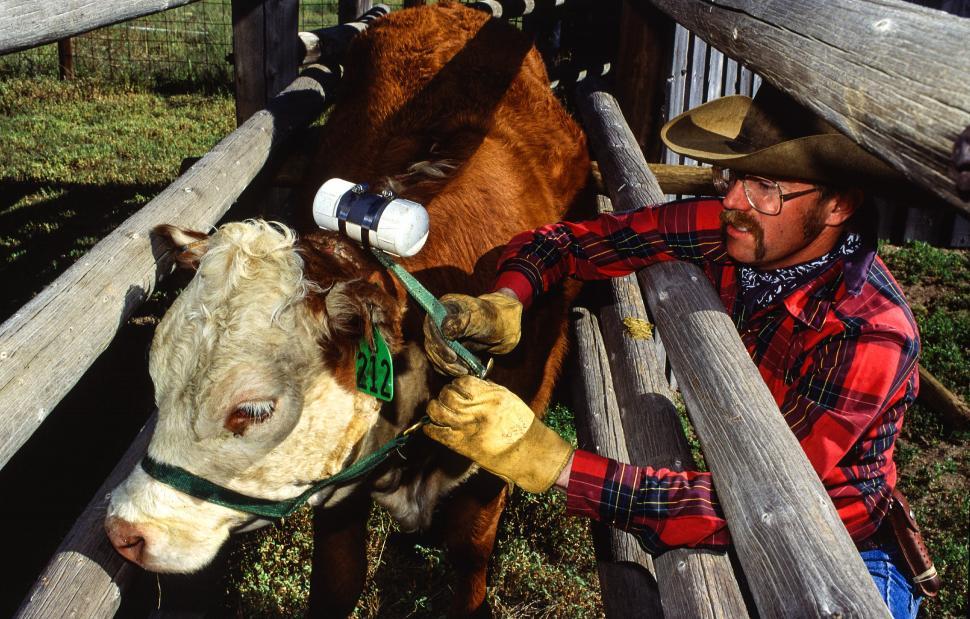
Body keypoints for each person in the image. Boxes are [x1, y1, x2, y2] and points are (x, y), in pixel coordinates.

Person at [420, 86, 937, 618]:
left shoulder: (868, 333)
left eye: (765, 186)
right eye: (734, 175)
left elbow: (769, 498)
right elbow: (564, 243)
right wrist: (505, 301)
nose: (734, 200)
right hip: (750, 483)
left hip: (846, 548)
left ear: (839, 206)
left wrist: (555, 465)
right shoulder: (742, 230)